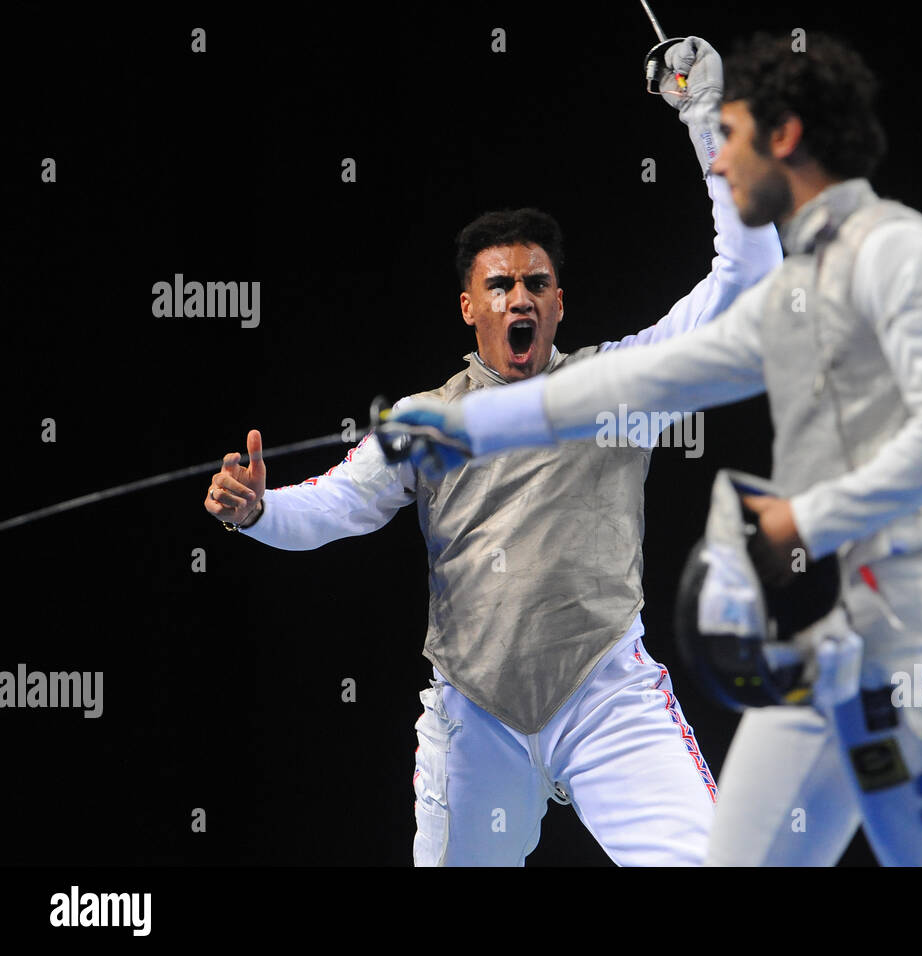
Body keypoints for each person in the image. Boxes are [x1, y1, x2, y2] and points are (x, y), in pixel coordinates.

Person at [391, 31, 922, 866]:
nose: (722, 163)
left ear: (785, 139)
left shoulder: (902, 251)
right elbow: (632, 383)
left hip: (911, 661)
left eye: (737, 139)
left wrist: (802, 518)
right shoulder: (800, 285)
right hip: (813, 657)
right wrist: (465, 427)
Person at [200, 37, 784, 866]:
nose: (521, 298)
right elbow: (333, 505)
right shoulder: (428, 418)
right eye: (502, 286)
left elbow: (749, 277)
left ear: (557, 304)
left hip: (605, 697)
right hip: (476, 719)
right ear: (470, 307)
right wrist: (260, 510)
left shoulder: (618, 382)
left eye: (537, 284)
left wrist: (703, 113)